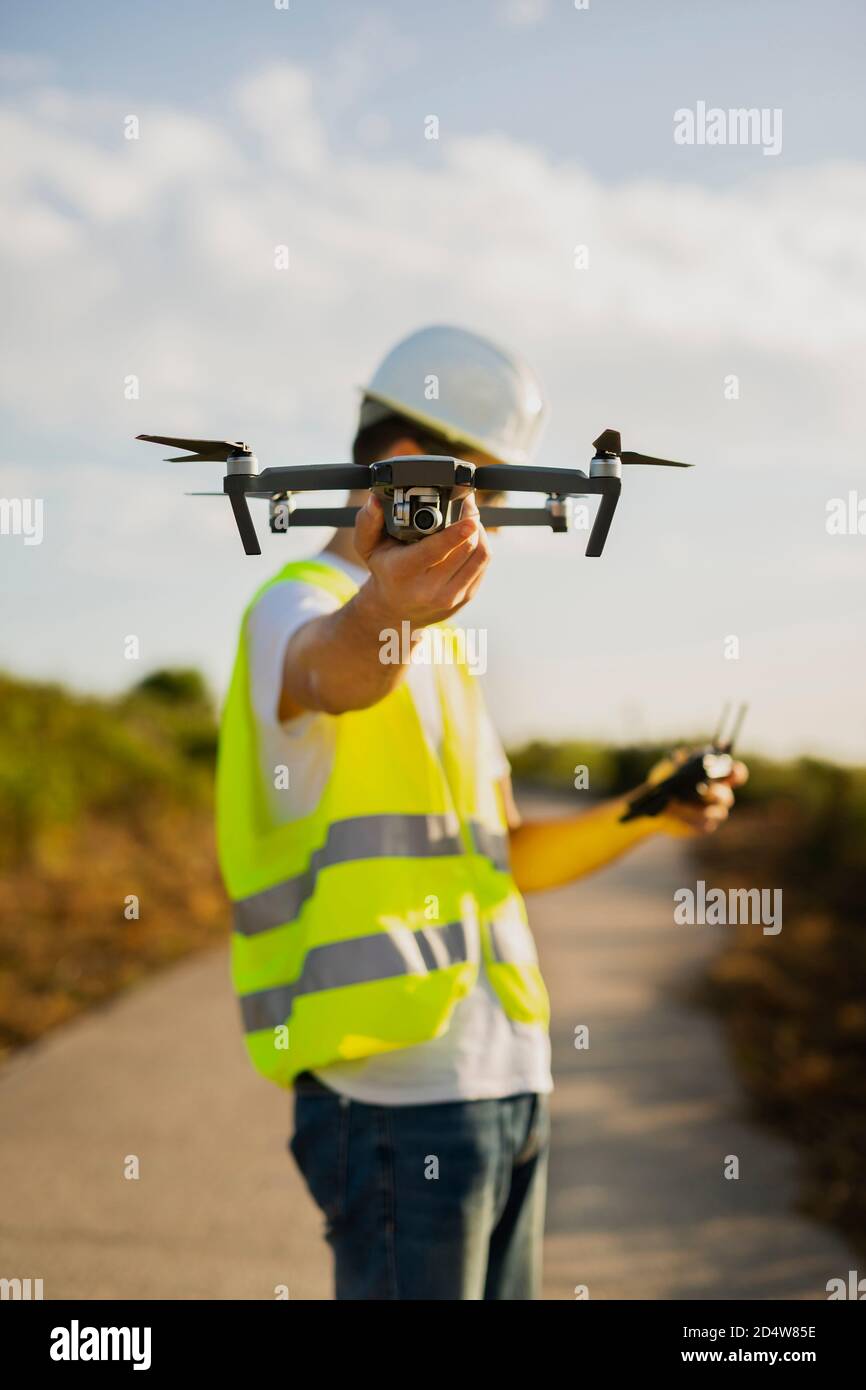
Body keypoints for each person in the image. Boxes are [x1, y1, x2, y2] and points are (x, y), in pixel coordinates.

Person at [215, 325, 747, 1301]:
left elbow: (510, 858)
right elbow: (329, 668)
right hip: (391, 1101)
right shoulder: (294, 608)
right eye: (485, 492)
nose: (489, 523)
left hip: (506, 1083)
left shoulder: (443, 655)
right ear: (409, 466)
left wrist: (650, 810)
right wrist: (385, 615)